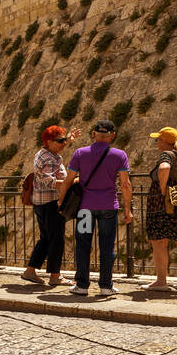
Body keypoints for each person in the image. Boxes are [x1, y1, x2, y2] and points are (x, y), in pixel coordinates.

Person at [60, 120, 133, 297]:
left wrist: (61, 202)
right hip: (109, 207)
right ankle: (106, 285)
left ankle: (82, 285)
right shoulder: (119, 155)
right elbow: (125, 184)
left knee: (83, 245)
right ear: (112, 136)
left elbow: (68, 180)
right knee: (107, 246)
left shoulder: (80, 153)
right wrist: (127, 209)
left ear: (93, 134)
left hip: (85, 209)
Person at [22, 125, 81, 286]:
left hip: (42, 202)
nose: (63, 143)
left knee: (46, 238)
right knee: (57, 239)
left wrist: (68, 139)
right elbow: (49, 182)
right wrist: (72, 181)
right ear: (49, 141)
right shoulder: (48, 158)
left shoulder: (46, 153)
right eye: (60, 140)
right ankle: (55, 276)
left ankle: (30, 271)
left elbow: (57, 146)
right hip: (50, 203)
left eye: (64, 140)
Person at [145, 127, 177, 291]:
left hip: (163, 204)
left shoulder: (166, 155)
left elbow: (164, 168)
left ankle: (161, 281)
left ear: (165, 142)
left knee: (159, 241)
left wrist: (162, 189)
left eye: (158, 140)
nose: (157, 143)